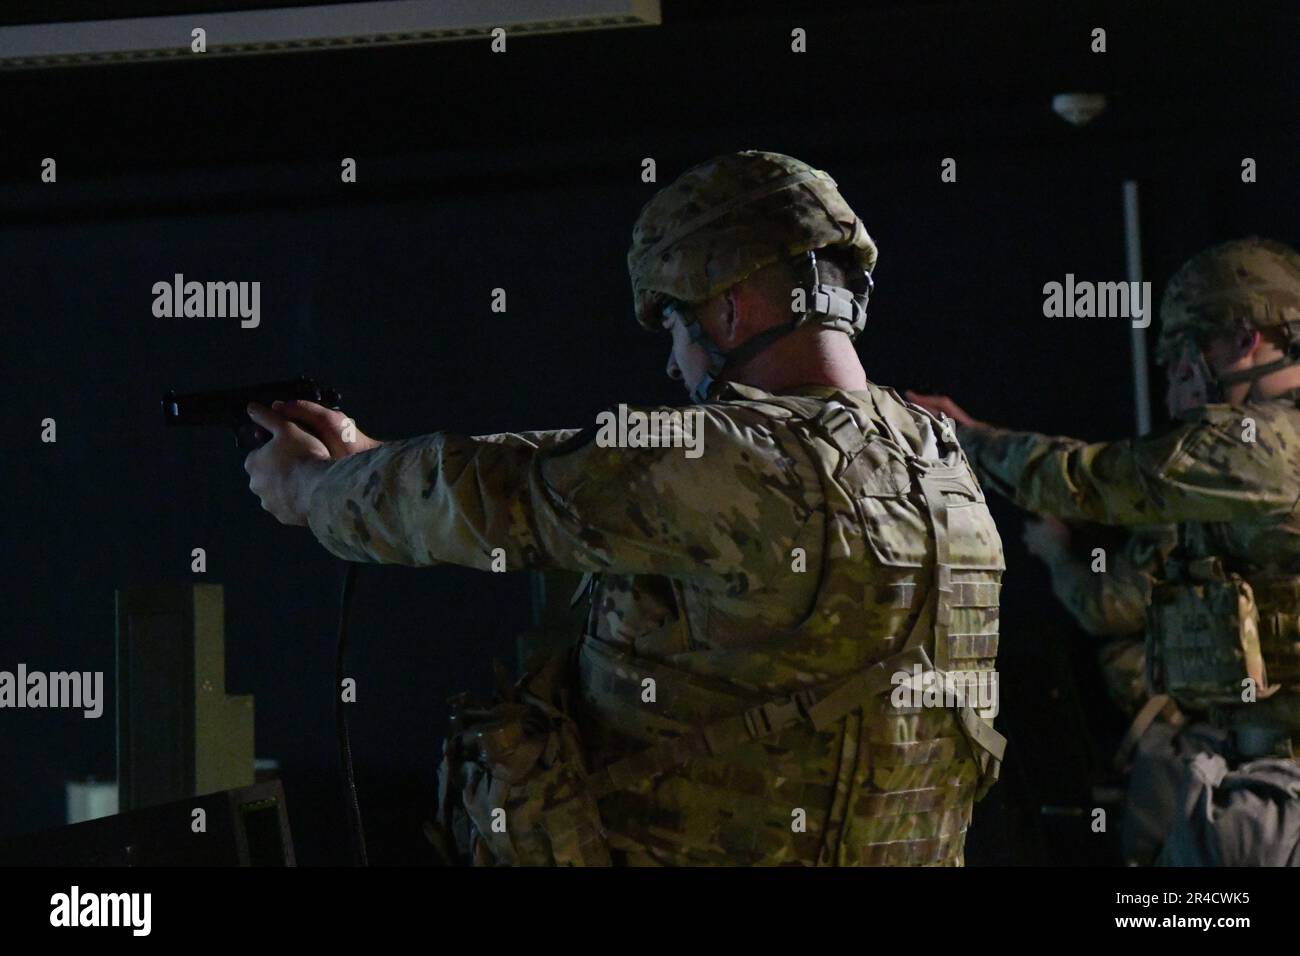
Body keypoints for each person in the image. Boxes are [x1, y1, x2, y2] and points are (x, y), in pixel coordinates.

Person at [243, 150, 1007, 866]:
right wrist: (367, 453)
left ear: (731, 310)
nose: (672, 361)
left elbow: (502, 499)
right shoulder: (937, 461)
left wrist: (313, 490)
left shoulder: (728, 461)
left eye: (676, 325)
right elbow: (579, 464)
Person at [909, 238, 1300, 865]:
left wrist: (968, 438)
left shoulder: (1262, 445)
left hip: (1279, 787)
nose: (1178, 386)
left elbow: (1092, 478)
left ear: (1242, 338)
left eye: (1183, 359)